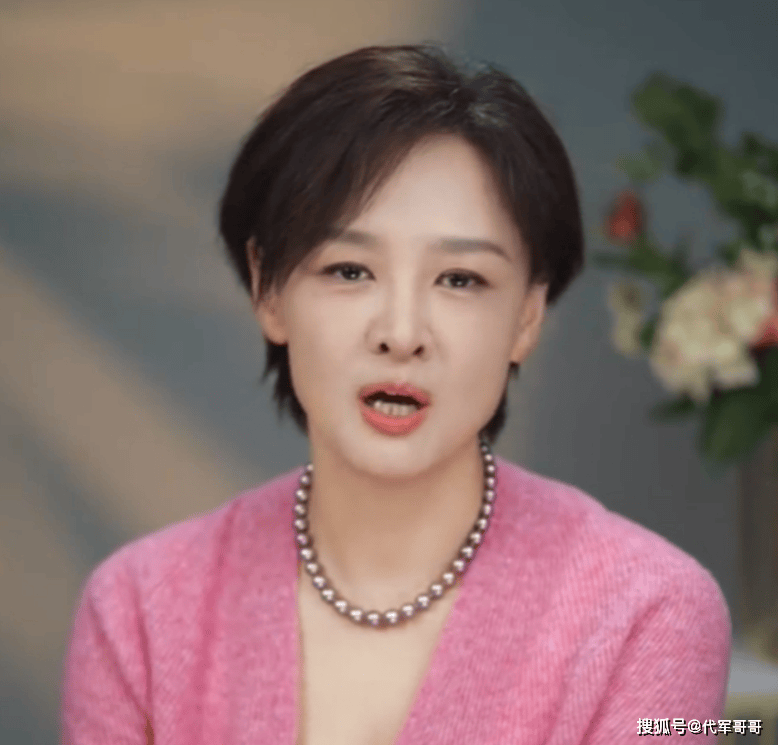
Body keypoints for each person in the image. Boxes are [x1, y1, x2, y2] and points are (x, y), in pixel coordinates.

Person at [60, 44, 731, 744]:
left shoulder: (648, 614)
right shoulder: (138, 611)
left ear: (528, 315)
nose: (402, 334)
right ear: (268, 288)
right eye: (350, 270)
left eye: (461, 279)